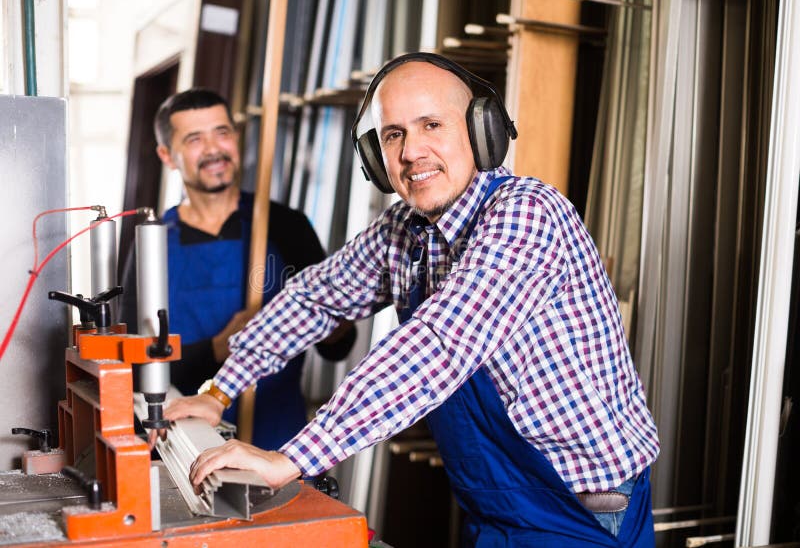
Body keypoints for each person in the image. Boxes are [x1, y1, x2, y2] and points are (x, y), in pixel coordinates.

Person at [166, 55, 660, 546]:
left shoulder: (529, 214)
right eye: (393, 135)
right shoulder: (403, 230)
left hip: (580, 514)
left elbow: (438, 346)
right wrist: (219, 392)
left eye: (432, 125)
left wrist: (291, 458)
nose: (411, 152)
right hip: (494, 508)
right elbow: (314, 299)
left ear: (481, 131)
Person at [120, 88, 356, 451]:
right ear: (167, 155)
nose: (214, 149)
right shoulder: (153, 244)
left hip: (279, 445)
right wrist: (217, 348)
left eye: (222, 132)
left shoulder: (286, 226)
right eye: (195, 139)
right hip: (183, 445)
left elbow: (339, 347)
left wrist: (328, 323)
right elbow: (132, 366)